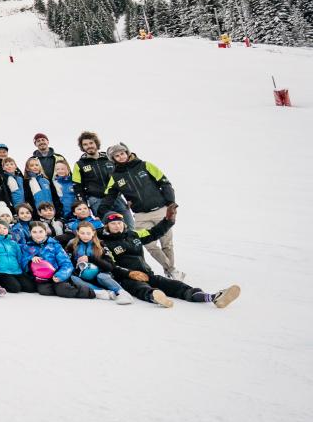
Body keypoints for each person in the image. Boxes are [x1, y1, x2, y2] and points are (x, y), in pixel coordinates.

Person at [99, 211, 239, 308]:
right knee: (140, 288)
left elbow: (154, 232)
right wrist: (129, 273)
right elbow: (111, 266)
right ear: (107, 226)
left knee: (176, 286)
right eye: (113, 224)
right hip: (127, 278)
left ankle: (212, 297)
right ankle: (155, 296)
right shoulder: (104, 243)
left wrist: (168, 221)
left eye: (119, 223)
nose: (117, 226)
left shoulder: (134, 235)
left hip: (147, 274)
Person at [102, 143, 183, 279]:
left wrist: (170, 203)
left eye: (122, 153)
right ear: (113, 159)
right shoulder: (115, 176)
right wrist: (102, 213)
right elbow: (108, 196)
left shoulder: (145, 165)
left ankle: (170, 273)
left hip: (161, 210)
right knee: (148, 244)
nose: (120, 157)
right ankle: (172, 269)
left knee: (167, 244)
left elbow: (164, 183)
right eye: (116, 156)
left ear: (127, 152)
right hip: (140, 216)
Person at [75, 131, 133, 229]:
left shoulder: (109, 159)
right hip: (97, 200)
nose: (89, 146)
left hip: (117, 198)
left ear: (96, 143)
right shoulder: (79, 164)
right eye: (85, 144)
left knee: (130, 226)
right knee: (110, 229)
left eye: (91, 143)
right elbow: (78, 187)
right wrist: (85, 207)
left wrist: (129, 197)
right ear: (82, 147)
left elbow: (123, 178)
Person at [21, 222, 93, 300]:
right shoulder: (27, 247)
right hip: (42, 279)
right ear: (30, 233)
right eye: (34, 232)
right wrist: (30, 259)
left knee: (63, 290)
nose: (38, 234)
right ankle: (59, 288)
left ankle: (89, 292)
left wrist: (60, 275)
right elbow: (23, 262)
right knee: (44, 291)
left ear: (45, 232)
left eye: (41, 231)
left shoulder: (55, 245)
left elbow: (66, 263)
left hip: (56, 275)